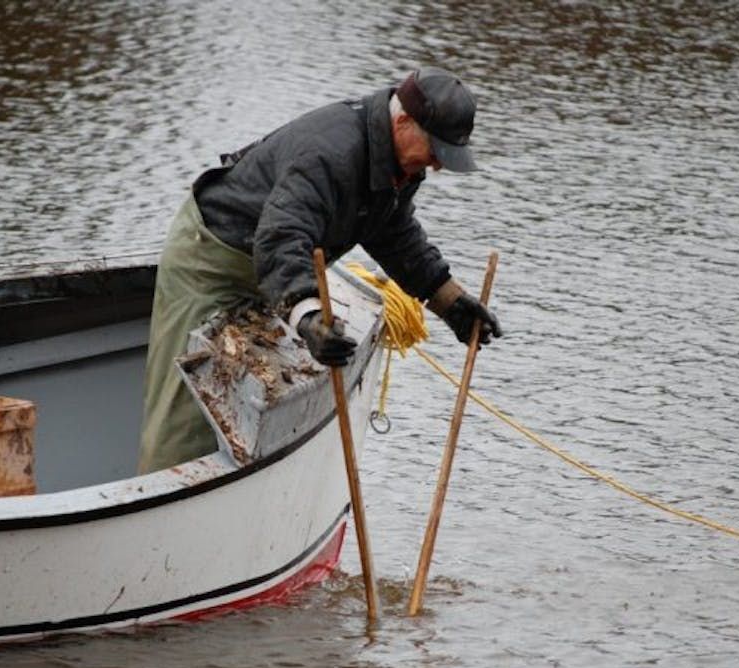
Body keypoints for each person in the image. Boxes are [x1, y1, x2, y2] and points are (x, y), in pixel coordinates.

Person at [138, 66, 503, 474]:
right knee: (190, 412)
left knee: (246, 407)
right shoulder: (330, 153)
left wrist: (448, 299)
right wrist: (307, 316)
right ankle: (162, 492)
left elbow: (393, 232)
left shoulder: (400, 163)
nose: (436, 165)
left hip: (271, 270)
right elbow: (281, 235)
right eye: (436, 151)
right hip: (212, 262)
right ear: (402, 122)